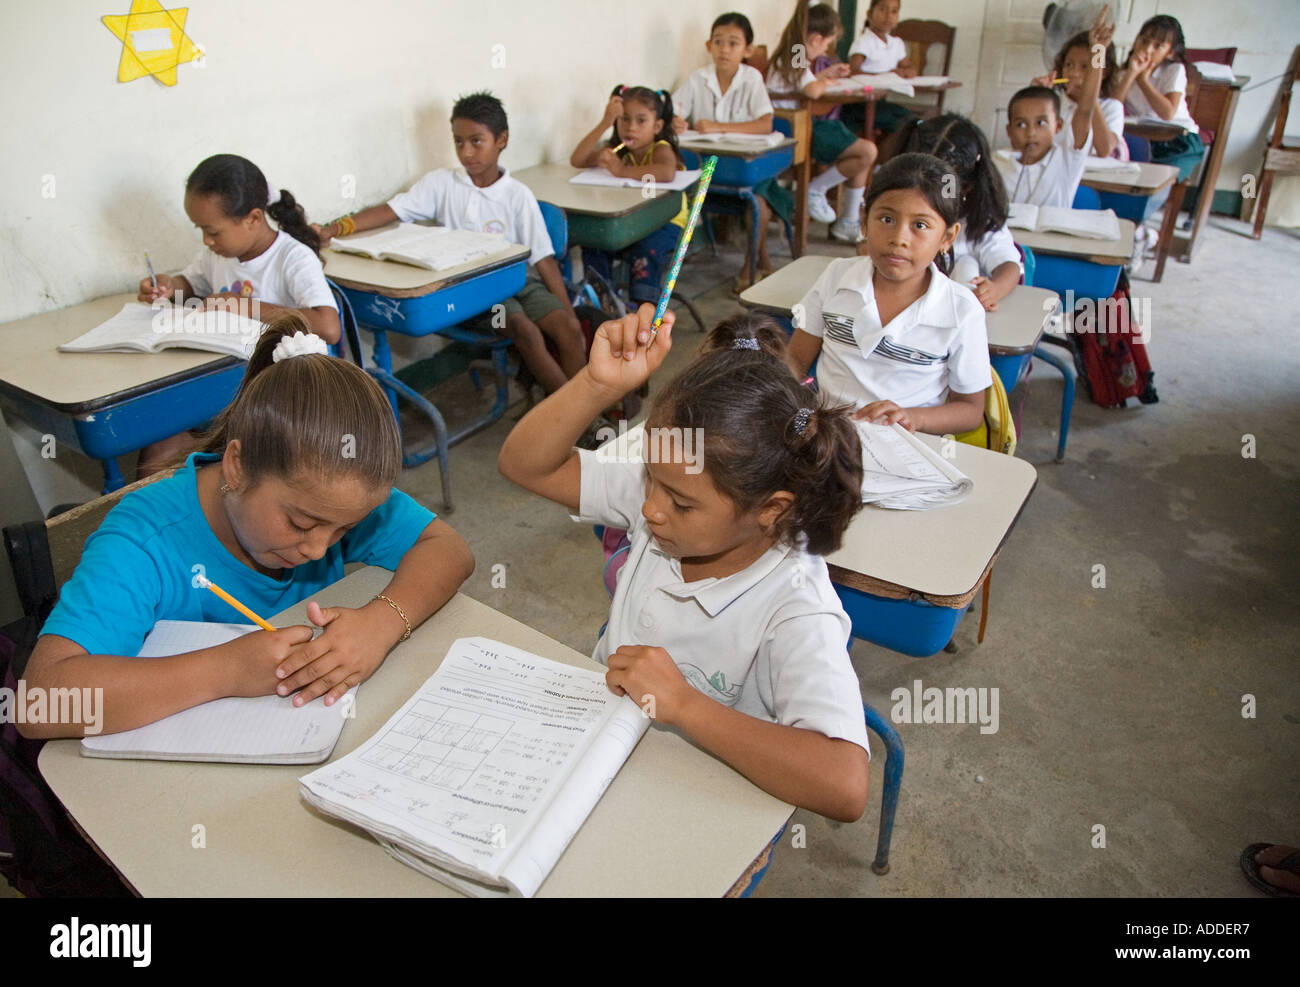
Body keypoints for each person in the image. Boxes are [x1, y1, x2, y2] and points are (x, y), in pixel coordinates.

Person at [20, 313, 475, 738]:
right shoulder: (145, 541)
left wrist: (382, 622)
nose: (320, 550)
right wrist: (225, 671)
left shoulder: (328, 494)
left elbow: (449, 549)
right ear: (236, 467)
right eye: (300, 524)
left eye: (342, 532)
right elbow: (40, 702)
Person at [498, 304, 871, 821]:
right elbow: (523, 464)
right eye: (650, 476)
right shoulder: (665, 491)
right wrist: (596, 385)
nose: (650, 509)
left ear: (771, 509)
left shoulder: (796, 606)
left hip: (698, 800)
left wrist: (685, 705)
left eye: (681, 502)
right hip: (598, 750)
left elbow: (845, 784)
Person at [314, 92, 585, 395]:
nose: (466, 152)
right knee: (526, 331)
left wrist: (569, 311)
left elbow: (544, 260)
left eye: (476, 141)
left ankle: (584, 410)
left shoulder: (517, 195)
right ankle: (572, 418)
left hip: (519, 282)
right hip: (477, 294)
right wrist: (338, 227)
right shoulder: (441, 184)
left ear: (502, 140)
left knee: (570, 329)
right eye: (458, 142)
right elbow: (391, 210)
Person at [136, 153, 340, 475]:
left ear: (253, 219)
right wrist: (165, 286)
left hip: (281, 393)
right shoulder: (216, 255)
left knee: (231, 459)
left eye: (213, 231)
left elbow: (329, 326)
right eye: (200, 230)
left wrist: (240, 306)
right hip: (229, 384)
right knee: (157, 452)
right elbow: (188, 284)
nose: (207, 240)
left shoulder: (293, 259)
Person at [787, 152, 991, 435]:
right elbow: (796, 359)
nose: (899, 239)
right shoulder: (836, 277)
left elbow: (970, 411)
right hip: (829, 440)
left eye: (920, 225)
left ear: (947, 238)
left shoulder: (962, 310)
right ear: (863, 221)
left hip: (908, 448)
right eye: (886, 219)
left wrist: (912, 418)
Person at [766, 2, 878, 246]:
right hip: (794, 128)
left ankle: (846, 219)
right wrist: (823, 84)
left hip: (798, 124)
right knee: (867, 151)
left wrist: (824, 76)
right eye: (827, 44)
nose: (826, 49)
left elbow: (798, 83)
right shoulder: (796, 52)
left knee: (864, 150)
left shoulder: (791, 50)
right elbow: (811, 91)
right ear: (816, 39)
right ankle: (816, 190)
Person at [570, 86, 688, 306]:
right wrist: (606, 122)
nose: (631, 127)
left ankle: (643, 306)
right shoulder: (618, 150)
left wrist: (621, 172)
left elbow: (666, 171)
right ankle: (604, 299)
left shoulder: (660, 148)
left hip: (665, 222)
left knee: (646, 250)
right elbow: (578, 159)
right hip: (632, 222)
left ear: (658, 126)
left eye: (641, 120)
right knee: (594, 241)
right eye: (624, 119)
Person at [904, 114, 1021, 311]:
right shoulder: (898, 211)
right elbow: (865, 248)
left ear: (967, 187)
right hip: (908, 309)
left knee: (966, 263)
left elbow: (1009, 266)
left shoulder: (981, 222)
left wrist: (995, 289)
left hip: (957, 316)